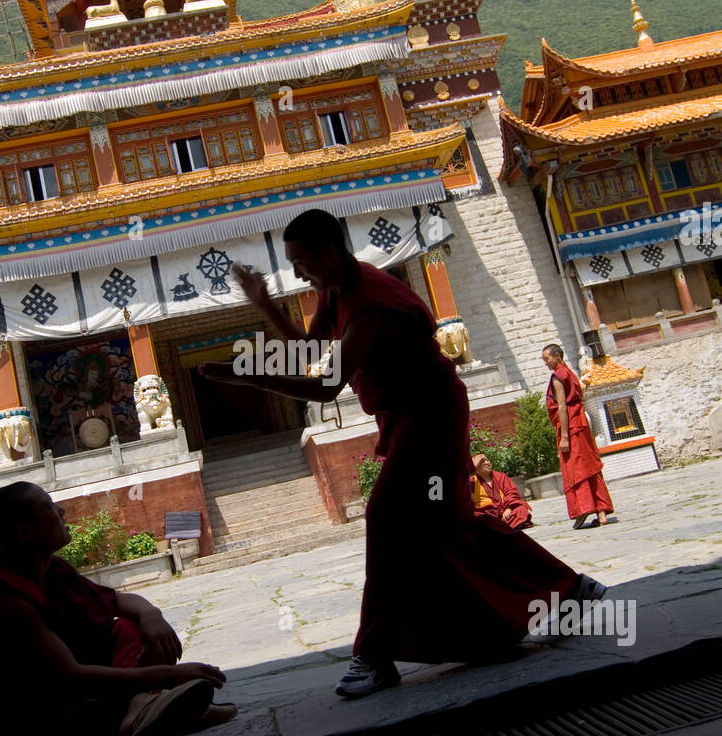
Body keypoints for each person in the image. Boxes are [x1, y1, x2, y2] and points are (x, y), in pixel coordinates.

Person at [200, 209, 606, 699]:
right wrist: (265, 305)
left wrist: (247, 376)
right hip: (404, 416)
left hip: (429, 415)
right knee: (450, 523)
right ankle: (568, 590)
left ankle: (374, 654)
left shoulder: (371, 300)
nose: (298, 273)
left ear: (329, 253)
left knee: (386, 515)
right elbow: (309, 347)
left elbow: (328, 386)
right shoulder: (335, 290)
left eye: (302, 262)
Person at [0, 482, 235, 736]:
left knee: (127, 628)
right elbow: (72, 677)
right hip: (14, 730)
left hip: (58, 698)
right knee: (90, 724)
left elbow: (118, 603)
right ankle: (145, 715)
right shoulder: (1, 597)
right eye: (51, 507)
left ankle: (143, 710)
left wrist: (152, 616)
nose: (62, 512)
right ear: (25, 532)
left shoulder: (51, 570)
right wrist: (171, 673)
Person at [542, 344, 615, 530]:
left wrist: (564, 437)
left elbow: (562, 407)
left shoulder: (559, 377)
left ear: (557, 356)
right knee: (590, 465)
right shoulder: (570, 373)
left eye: (547, 359)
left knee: (576, 469)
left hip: (571, 427)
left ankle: (584, 507)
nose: (545, 363)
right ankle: (601, 512)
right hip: (581, 423)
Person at [471, 454, 533, 529]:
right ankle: (510, 526)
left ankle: (501, 527)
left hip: (504, 512)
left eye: (487, 460)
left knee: (521, 509)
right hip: (487, 515)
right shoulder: (471, 482)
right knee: (478, 518)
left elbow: (511, 493)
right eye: (482, 461)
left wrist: (508, 508)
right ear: (475, 466)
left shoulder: (500, 476)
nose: (487, 463)